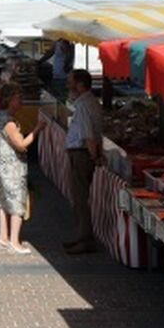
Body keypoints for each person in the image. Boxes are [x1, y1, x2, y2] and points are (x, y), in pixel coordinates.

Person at [0, 83, 45, 254]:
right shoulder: (8, 122)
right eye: (18, 98)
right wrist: (36, 130)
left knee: (3, 201)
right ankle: (15, 242)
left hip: (0, 166)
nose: (21, 101)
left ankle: (3, 237)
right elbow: (21, 145)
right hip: (11, 168)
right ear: (9, 100)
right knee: (16, 203)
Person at [63, 69, 105, 255]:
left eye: (71, 81)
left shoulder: (84, 105)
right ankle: (81, 235)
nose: (68, 85)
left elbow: (88, 135)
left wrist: (94, 155)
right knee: (79, 197)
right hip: (82, 152)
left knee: (80, 199)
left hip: (81, 154)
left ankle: (85, 238)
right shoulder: (89, 102)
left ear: (80, 84)